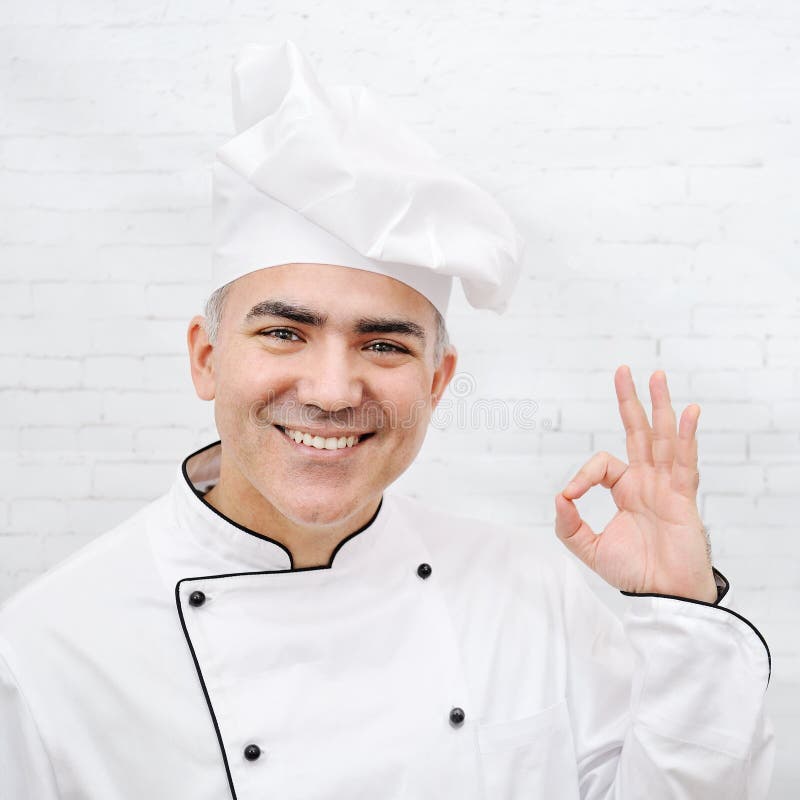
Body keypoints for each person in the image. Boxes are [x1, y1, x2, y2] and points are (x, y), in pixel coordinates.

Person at [0, 40, 773, 799]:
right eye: (284, 333)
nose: (335, 391)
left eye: (383, 344)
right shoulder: (48, 650)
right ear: (206, 358)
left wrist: (681, 611)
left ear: (437, 382)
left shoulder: (533, 591)